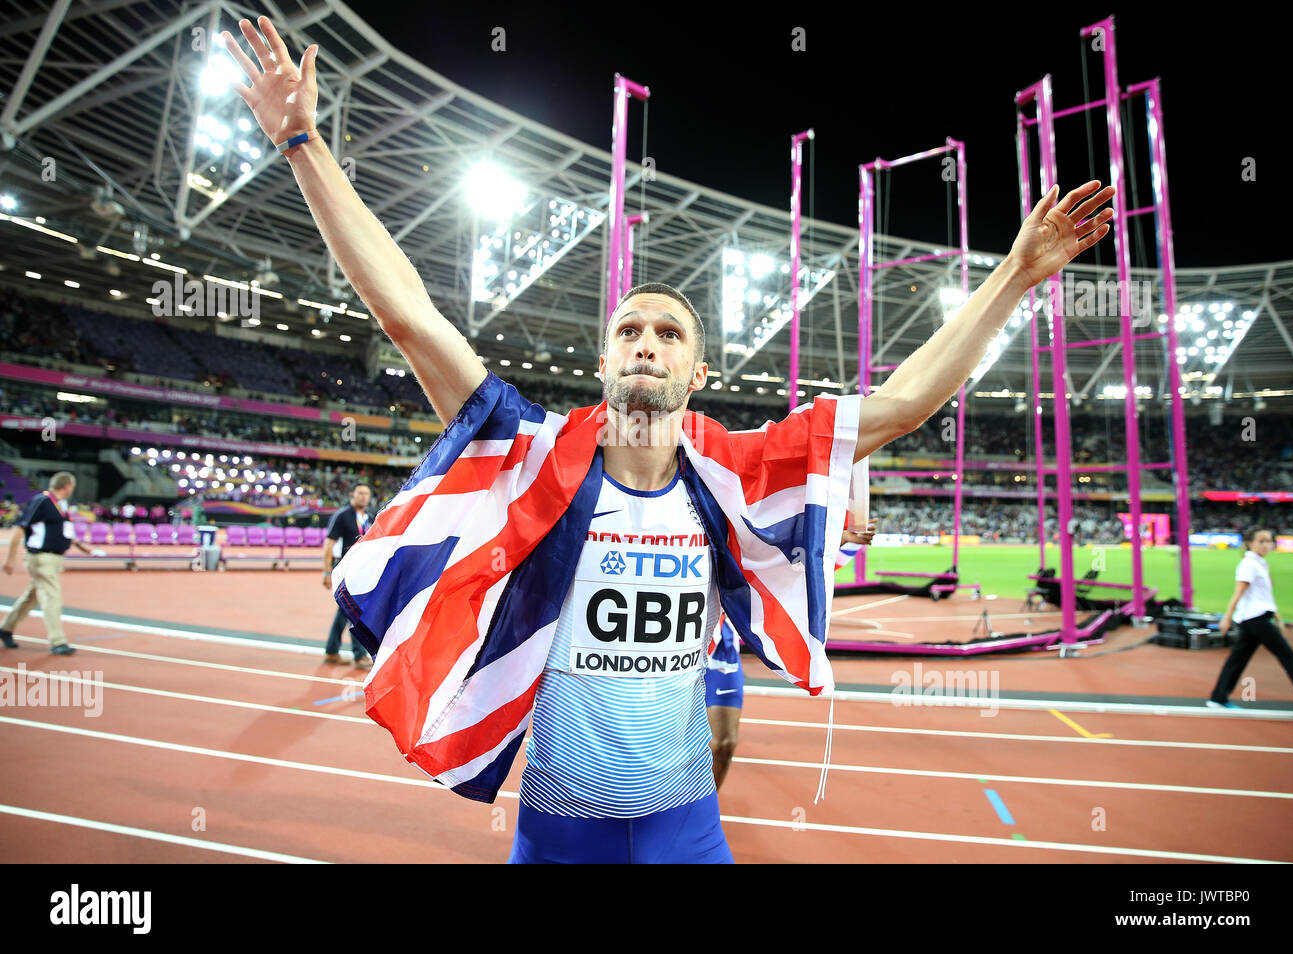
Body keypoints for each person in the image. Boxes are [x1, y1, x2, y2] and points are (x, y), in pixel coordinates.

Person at [223, 14, 1113, 864]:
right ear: (603, 360)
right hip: (556, 826)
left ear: (698, 378)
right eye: (628, 330)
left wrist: (1016, 274)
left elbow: (903, 404)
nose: (646, 339)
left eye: (670, 333)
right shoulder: (532, 455)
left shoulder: (734, 474)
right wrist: (303, 144)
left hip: (687, 828)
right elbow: (409, 315)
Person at [705, 520, 877, 792]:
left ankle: (705, 810)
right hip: (679, 641)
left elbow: (775, 554)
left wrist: (835, 537)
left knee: (723, 743)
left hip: (721, 649)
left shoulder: (732, 508)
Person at [1, 472, 104, 654]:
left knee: (31, 597)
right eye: (72, 486)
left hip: (54, 558)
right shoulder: (42, 501)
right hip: (42, 558)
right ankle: (57, 641)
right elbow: (19, 527)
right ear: (67, 486)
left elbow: (65, 533)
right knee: (52, 596)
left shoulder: (61, 506)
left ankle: (6, 628)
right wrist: (10, 559)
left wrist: (86, 549)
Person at [1208, 527, 1293, 708]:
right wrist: (1226, 618)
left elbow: (1265, 597)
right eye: (1262, 541)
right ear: (1250, 543)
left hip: (1256, 618)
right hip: (1256, 619)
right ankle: (1218, 698)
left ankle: (1218, 698)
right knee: (1288, 657)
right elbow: (1238, 593)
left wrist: (1278, 618)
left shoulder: (1260, 564)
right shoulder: (1248, 564)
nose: (1267, 545)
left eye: (1269, 541)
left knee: (1237, 659)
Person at [321, 483, 374, 670]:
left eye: (367, 493)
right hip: (344, 572)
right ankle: (359, 655)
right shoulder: (342, 516)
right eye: (360, 493)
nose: (363, 497)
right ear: (353, 495)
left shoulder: (369, 518)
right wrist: (327, 571)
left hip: (360, 572)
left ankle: (332, 650)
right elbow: (329, 545)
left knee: (344, 613)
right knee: (354, 612)